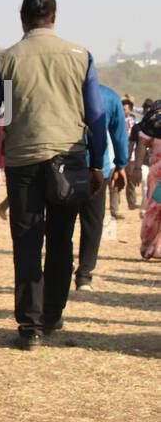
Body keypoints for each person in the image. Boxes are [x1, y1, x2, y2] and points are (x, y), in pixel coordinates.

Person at [0, 0, 108, 349]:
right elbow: (96, 115)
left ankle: (28, 328)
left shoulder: (5, 60)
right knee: (61, 240)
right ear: (54, 16)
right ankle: (53, 315)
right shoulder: (81, 56)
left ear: (22, 17)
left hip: (23, 162)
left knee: (27, 243)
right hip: (70, 160)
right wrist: (97, 162)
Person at [73, 83, 130, 291]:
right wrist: (121, 164)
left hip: (62, 167)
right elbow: (119, 132)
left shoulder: (62, 90)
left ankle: (59, 267)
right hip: (98, 169)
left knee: (60, 221)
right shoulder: (109, 95)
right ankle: (85, 275)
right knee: (92, 222)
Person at [130, 100, 161, 258]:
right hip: (159, 175)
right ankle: (149, 244)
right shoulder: (156, 114)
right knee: (156, 207)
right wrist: (137, 167)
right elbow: (142, 141)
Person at [116, 94, 140, 215]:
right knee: (118, 179)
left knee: (130, 180)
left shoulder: (135, 121)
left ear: (130, 109)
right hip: (119, 153)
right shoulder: (117, 120)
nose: (123, 111)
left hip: (131, 155)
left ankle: (132, 202)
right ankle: (116, 204)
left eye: (124, 109)